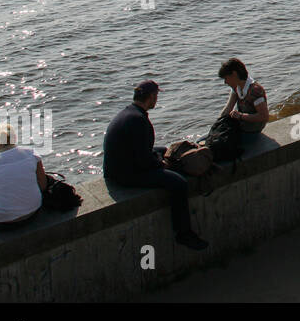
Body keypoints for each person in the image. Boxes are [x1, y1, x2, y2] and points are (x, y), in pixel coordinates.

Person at [103, 80, 208, 250]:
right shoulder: (139, 121)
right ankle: (183, 233)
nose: (156, 100)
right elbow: (144, 161)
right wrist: (161, 164)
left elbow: (139, 151)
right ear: (151, 97)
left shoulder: (129, 113)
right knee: (178, 183)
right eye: (156, 96)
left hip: (117, 168)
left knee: (163, 150)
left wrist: (158, 158)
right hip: (126, 175)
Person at [0, 123, 45, 231]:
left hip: (3, 222)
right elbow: (42, 185)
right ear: (15, 139)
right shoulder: (32, 153)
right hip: (34, 211)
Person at [218, 57, 269, 134]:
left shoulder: (255, 91)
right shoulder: (236, 87)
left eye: (226, 78)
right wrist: (217, 124)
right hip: (242, 126)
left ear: (234, 74)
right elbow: (228, 108)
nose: (225, 82)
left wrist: (240, 116)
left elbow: (263, 116)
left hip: (254, 129)